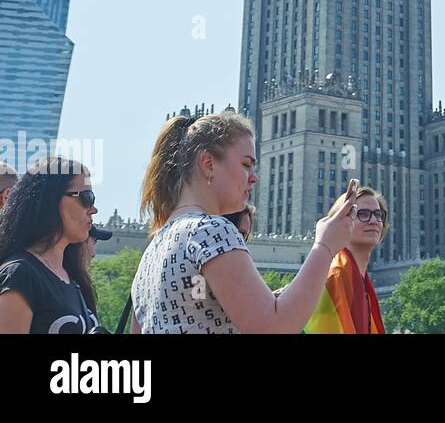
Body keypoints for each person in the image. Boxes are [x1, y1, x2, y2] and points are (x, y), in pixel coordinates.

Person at [131, 110, 358, 333]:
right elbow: (273, 327)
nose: (254, 177)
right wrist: (324, 246)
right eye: (246, 164)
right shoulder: (211, 231)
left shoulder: (151, 252)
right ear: (208, 164)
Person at [0, 158, 102, 333]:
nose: (93, 209)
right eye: (86, 198)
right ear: (50, 199)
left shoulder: (73, 277)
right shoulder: (20, 274)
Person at [305, 188, 388, 334]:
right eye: (363, 214)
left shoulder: (360, 278)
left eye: (378, 214)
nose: (374, 221)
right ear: (341, 222)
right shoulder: (336, 274)